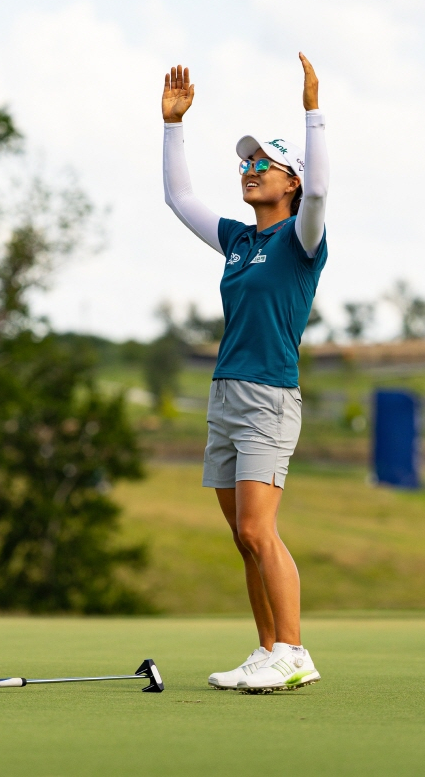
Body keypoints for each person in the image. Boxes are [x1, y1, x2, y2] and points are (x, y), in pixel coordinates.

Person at [162, 54, 328, 692]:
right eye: (245, 162)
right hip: (225, 395)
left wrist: (312, 109)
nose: (250, 169)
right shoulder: (238, 241)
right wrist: (173, 125)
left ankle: (294, 650)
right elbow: (179, 198)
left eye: (265, 163)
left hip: (267, 396)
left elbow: (318, 193)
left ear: (290, 183)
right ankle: (266, 650)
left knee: (261, 528)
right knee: (242, 538)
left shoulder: (301, 240)